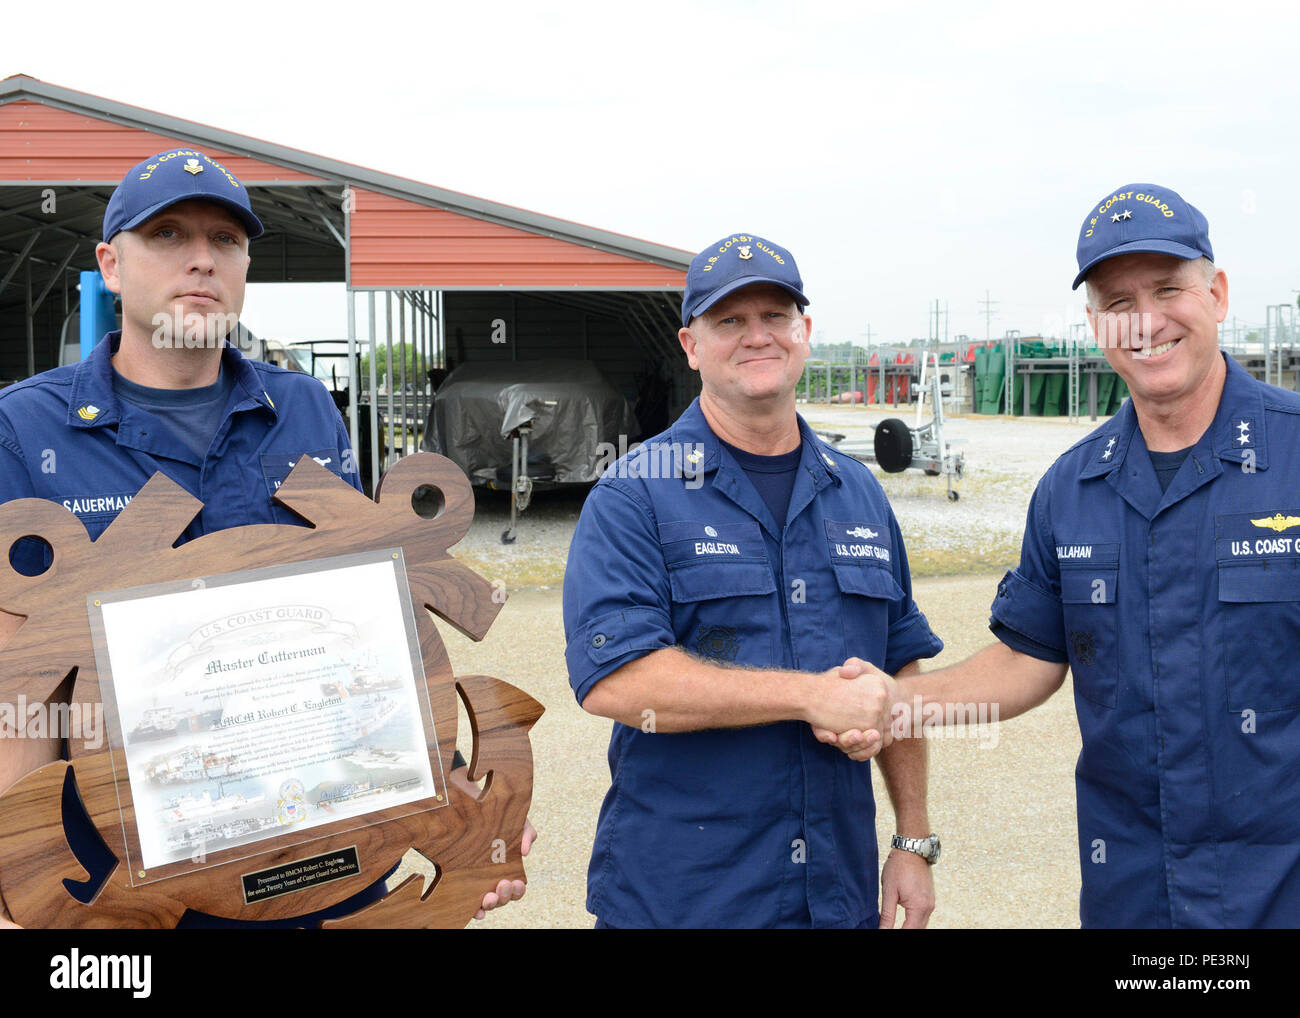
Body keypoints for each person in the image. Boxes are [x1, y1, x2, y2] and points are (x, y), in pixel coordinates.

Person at [0, 149, 530, 927]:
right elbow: (20, 674)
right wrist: (23, 883)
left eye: (226, 240)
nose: (201, 260)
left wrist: (453, 807)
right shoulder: (25, 427)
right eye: (169, 236)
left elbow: (367, 635)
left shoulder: (304, 408)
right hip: (131, 874)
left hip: (319, 851)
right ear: (111, 265)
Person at [825, 182, 1300, 928]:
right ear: (1093, 324)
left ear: (1218, 293)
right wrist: (896, 701)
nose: (1144, 321)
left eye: (1168, 288)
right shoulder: (1073, 487)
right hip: (1135, 895)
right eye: (1117, 302)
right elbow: (1030, 658)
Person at [562, 233, 944, 928]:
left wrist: (912, 838)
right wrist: (810, 698)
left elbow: (899, 669)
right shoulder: (634, 493)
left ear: (804, 333)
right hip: (683, 897)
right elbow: (616, 680)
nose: (756, 336)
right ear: (690, 344)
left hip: (835, 896)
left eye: (775, 316)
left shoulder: (856, 492)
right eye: (729, 321)